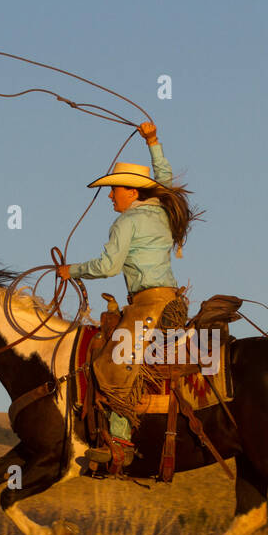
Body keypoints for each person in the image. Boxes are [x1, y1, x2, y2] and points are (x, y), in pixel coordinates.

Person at [57, 121, 203, 466]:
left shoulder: (126, 222)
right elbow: (164, 178)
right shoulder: (163, 211)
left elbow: (108, 266)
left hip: (150, 302)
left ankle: (120, 442)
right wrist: (153, 141)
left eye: (115, 189)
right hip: (169, 300)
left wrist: (71, 271)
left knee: (112, 363)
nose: (110, 195)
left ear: (133, 193)